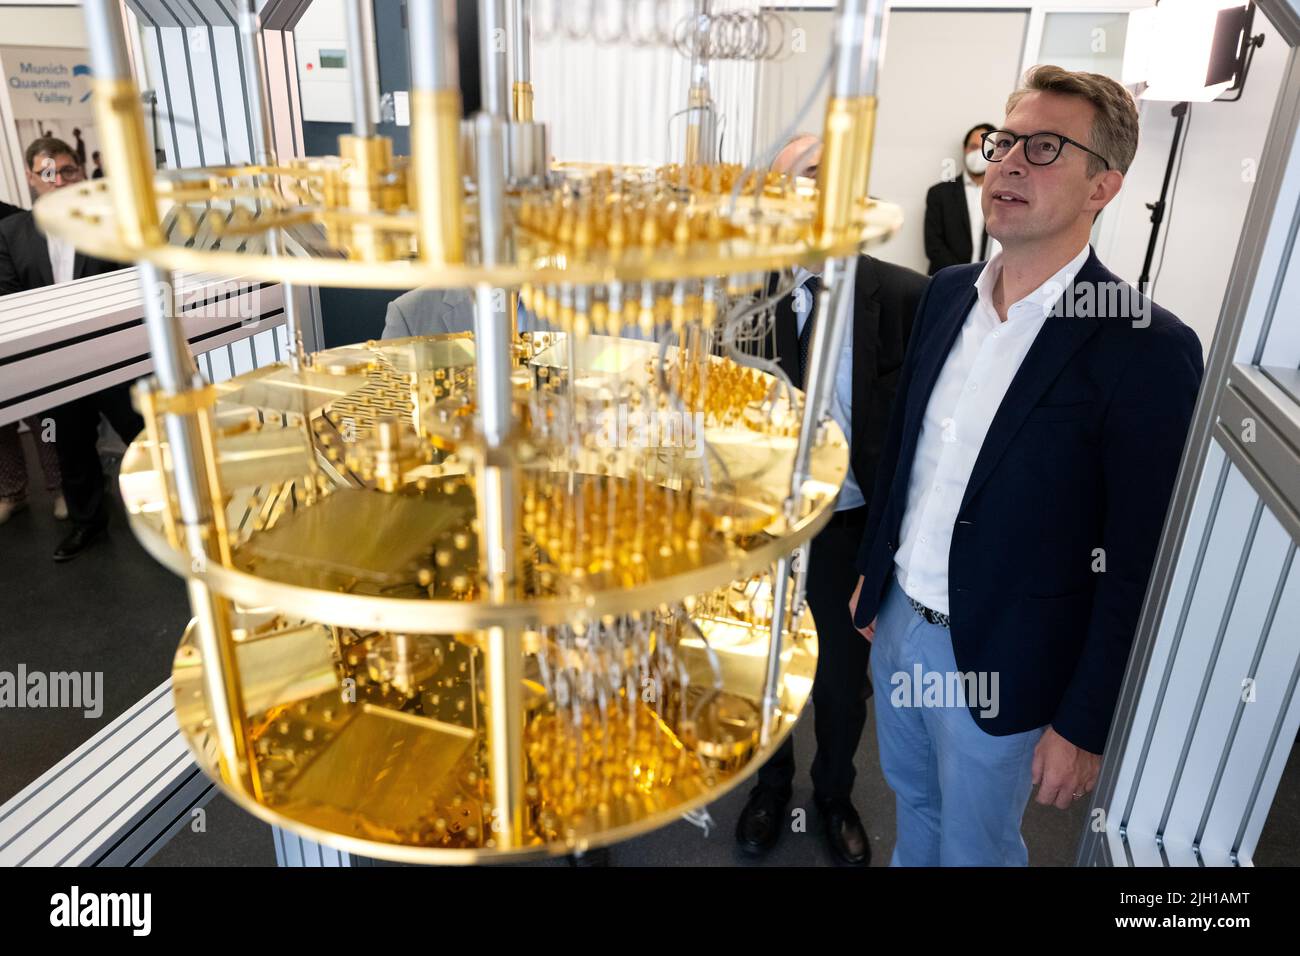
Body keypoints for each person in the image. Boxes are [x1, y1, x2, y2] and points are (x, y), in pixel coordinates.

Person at [848, 66, 1204, 866]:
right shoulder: (944, 295)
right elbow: (906, 454)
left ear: (1102, 187)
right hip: (901, 626)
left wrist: (1085, 722)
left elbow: (1139, 560)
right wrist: (877, 578)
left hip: (1005, 657)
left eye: (1044, 149)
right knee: (915, 808)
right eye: (1004, 141)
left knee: (978, 849)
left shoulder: (1145, 347)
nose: (1007, 163)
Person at [734, 133, 928, 866]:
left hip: (853, 530)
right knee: (765, 675)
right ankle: (768, 786)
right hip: (766, 532)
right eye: (805, 177)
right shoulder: (742, 297)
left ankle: (834, 794)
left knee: (844, 692)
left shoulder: (907, 296)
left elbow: (916, 439)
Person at [0, 137, 130, 561]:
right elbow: (10, 296)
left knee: (150, 437)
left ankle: (184, 521)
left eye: (68, 171)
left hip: (117, 358)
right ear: (31, 178)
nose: (59, 182)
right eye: (48, 173)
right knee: (70, 449)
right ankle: (87, 525)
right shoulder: (12, 231)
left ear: (79, 173)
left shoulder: (112, 222)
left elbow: (132, 286)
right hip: (59, 367)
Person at [924, 122, 998, 275]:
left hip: (991, 282)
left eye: (984, 148)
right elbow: (934, 247)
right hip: (947, 280)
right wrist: (962, 277)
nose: (977, 153)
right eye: (973, 147)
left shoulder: (1004, 195)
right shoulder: (939, 193)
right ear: (964, 150)